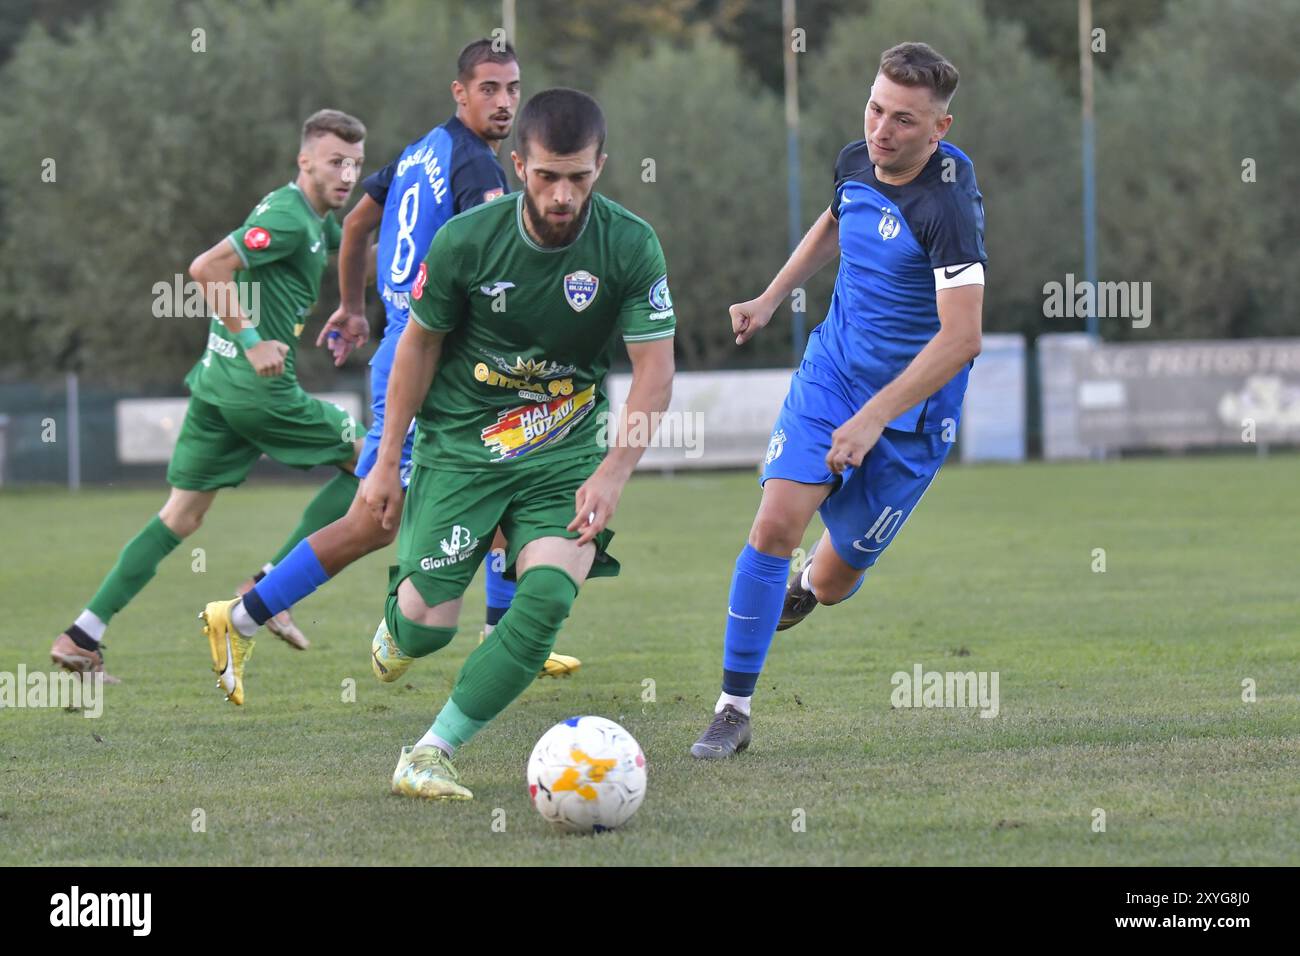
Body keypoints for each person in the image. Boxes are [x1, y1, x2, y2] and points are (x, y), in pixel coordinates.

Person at [364, 88, 676, 800]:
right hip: (463, 442)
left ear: (603, 166)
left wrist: (612, 475)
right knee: (427, 627)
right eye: (546, 177)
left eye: (579, 177)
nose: (562, 195)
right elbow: (417, 348)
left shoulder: (630, 244)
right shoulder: (467, 241)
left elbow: (655, 373)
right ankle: (398, 625)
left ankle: (430, 751)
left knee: (542, 602)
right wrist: (388, 461)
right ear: (517, 166)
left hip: (562, 453)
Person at [689, 42, 987, 759]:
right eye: (876, 108)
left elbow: (964, 338)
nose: (882, 129)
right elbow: (834, 223)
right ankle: (733, 708)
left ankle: (809, 582)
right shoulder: (857, 159)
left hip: (913, 415)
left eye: (905, 121)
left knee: (830, 578)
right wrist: (768, 298)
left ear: (939, 129)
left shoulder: (947, 203)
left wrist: (875, 416)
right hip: (832, 374)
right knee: (773, 523)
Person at [50, 110, 368, 696]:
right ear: (304, 161)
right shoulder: (290, 219)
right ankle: (269, 590)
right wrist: (251, 342)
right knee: (373, 461)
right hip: (257, 389)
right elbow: (205, 268)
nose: (346, 173)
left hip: (217, 387)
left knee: (182, 515)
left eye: (355, 163)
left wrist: (351, 305)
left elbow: (340, 250)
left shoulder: (313, 222)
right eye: (334, 161)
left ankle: (81, 635)